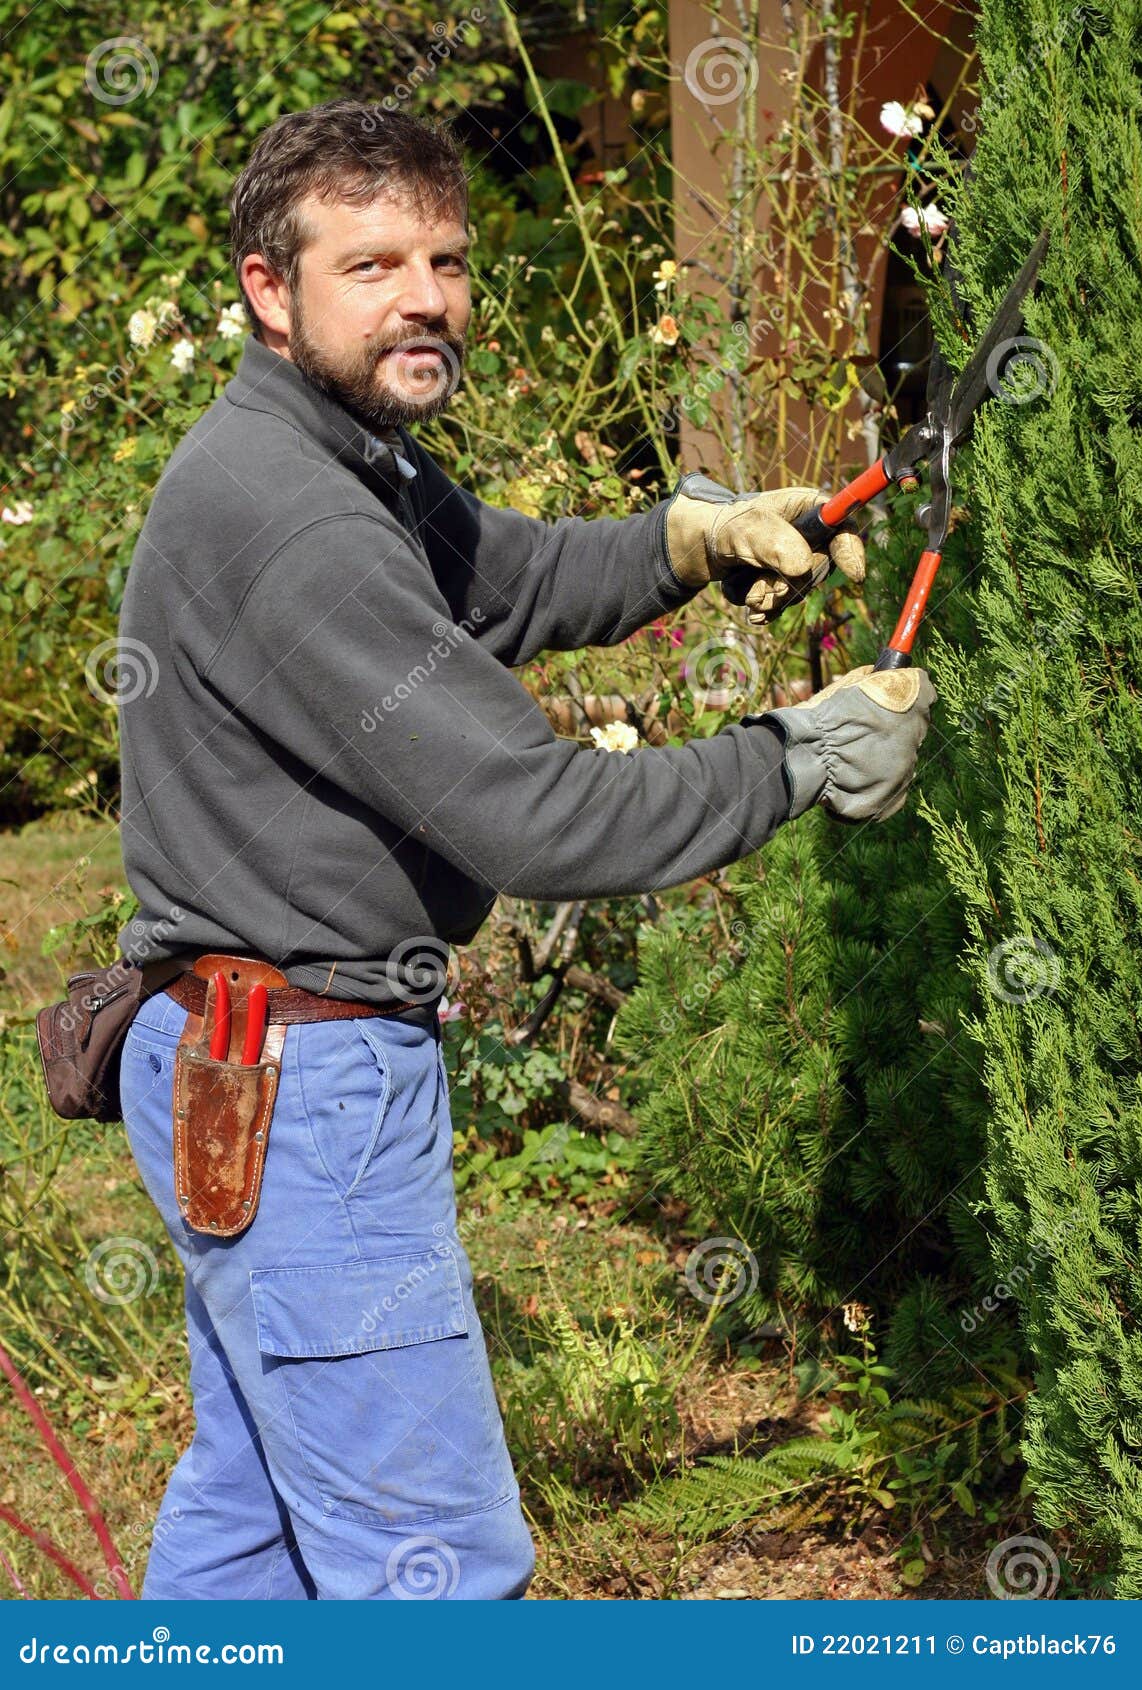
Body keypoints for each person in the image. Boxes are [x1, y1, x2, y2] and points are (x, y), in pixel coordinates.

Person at [116, 98, 934, 1601]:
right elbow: (540, 817)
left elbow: (489, 571)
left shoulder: (320, 450)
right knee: (439, 1570)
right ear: (265, 289)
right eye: (369, 265)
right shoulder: (295, 523)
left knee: (257, 1537)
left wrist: (690, 539)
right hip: (305, 1091)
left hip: (239, 1055)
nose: (423, 296)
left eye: (446, 259)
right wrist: (797, 752)